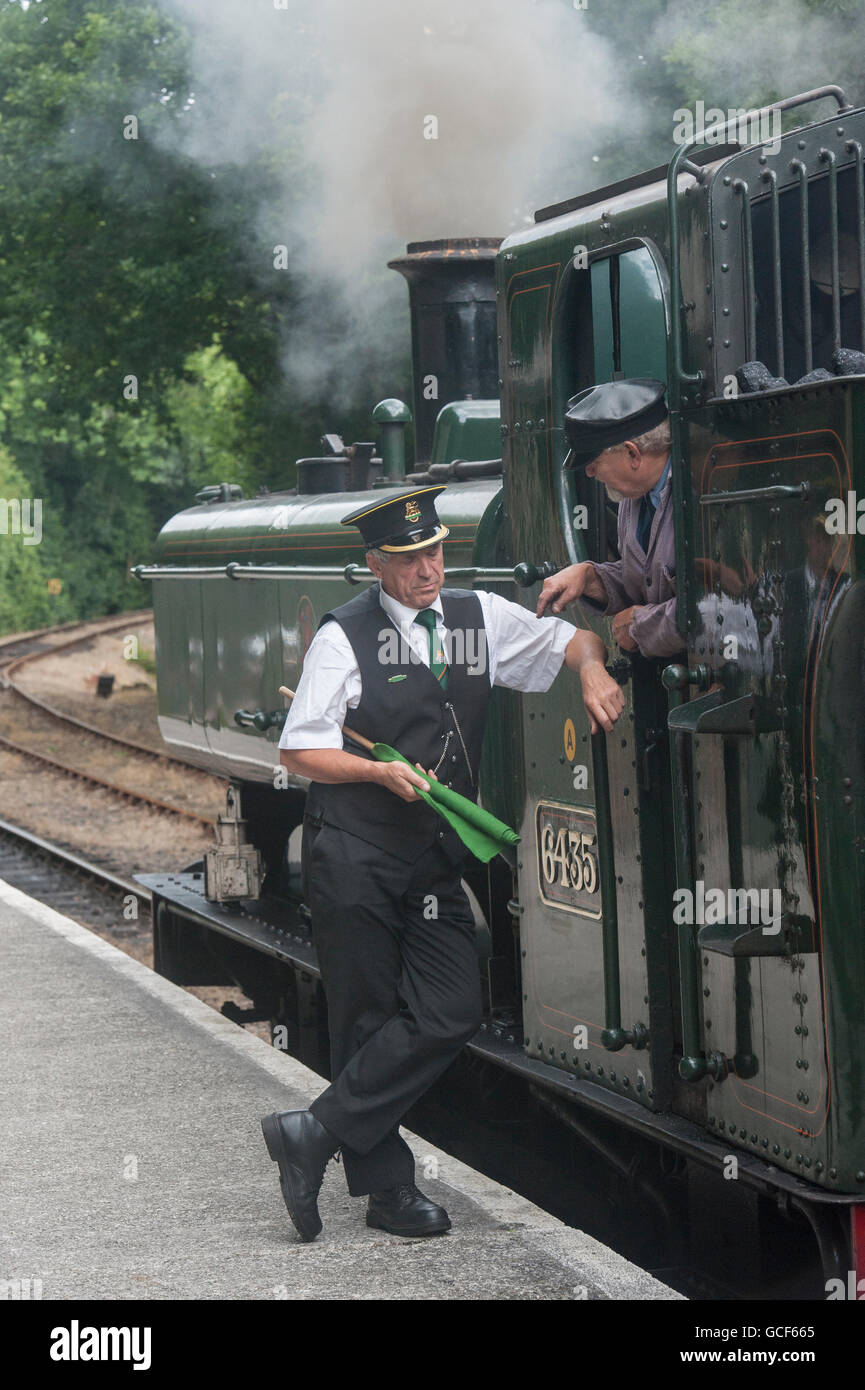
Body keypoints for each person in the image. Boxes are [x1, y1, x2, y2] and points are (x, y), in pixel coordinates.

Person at [262, 484, 624, 1242]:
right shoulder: (343, 636)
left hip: (429, 856)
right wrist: (373, 773)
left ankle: (312, 1133)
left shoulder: (478, 616)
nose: (426, 569)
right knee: (365, 1017)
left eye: (432, 552)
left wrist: (588, 668)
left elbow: (569, 640)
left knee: (454, 1006)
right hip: (353, 853)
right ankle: (389, 1193)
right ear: (376, 565)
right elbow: (299, 748)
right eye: (406, 559)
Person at [537, 378, 686, 660]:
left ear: (632, 453)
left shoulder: (699, 490)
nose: (590, 474)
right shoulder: (634, 496)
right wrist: (590, 577)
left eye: (594, 463)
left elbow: (717, 608)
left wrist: (641, 626)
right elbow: (650, 577)